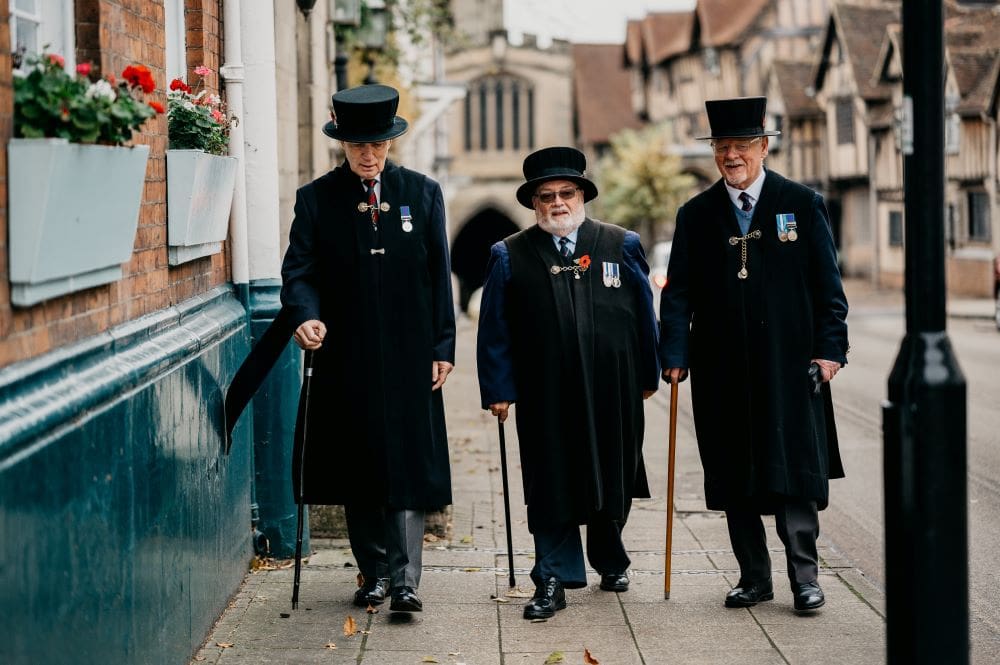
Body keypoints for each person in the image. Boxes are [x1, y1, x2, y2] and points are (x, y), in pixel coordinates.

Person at [658, 96, 849, 612]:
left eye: (742, 145)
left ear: (764, 147)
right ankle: (754, 577)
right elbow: (677, 295)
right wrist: (674, 353)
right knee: (735, 472)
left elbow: (829, 289)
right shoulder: (696, 215)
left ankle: (805, 579)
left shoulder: (801, 204)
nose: (731, 155)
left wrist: (829, 352)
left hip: (790, 366)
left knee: (793, 473)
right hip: (721, 368)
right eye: (722, 146)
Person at [281, 84, 456, 613]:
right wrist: (305, 315)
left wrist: (443, 346)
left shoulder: (422, 193)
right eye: (358, 144)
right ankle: (374, 572)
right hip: (346, 355)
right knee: (359, 462)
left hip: (410, 352)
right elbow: (300, 272)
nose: (368, 154)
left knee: (407, 462)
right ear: (343, 143)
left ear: (390, 142)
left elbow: (439, 275)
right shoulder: (316, 199)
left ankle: (405, 580)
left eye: (377, 144)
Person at [477, 146, 660, 620]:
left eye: (566, 193)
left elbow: (644, 314)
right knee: (551, 479)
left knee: (612, 475)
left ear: (582, 196)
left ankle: (610, 556)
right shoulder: (509, 254)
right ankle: (552, 577)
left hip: (613, 388)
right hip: (545, 394)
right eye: (547, 196)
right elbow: (494, 329)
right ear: (534, 203)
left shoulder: (620, 244)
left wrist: (649, 372)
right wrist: (498, 389)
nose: (557, 203)